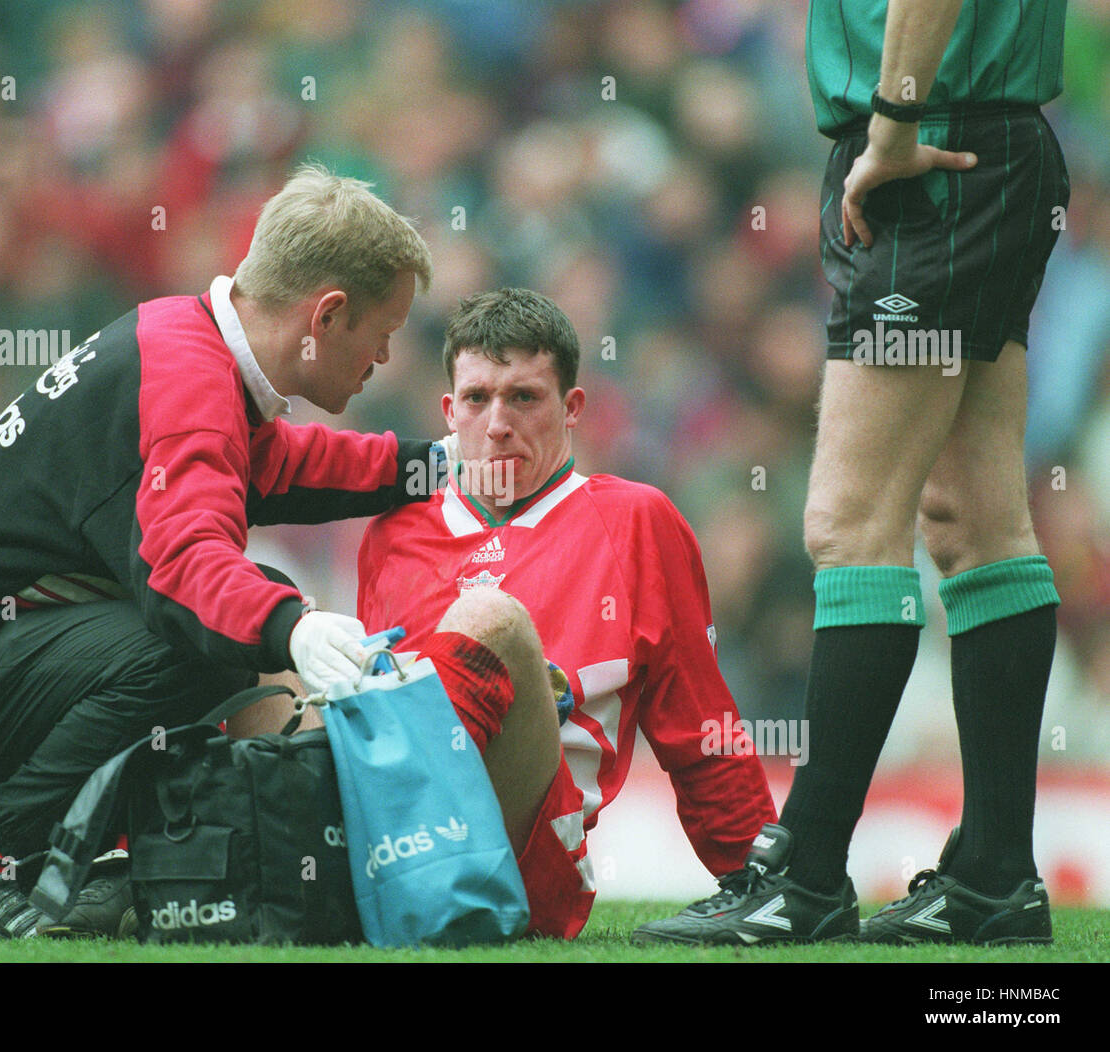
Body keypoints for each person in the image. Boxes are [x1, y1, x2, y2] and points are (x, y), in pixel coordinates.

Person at [0, 164, 438, 939]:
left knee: (237, 608)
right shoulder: (191, 386)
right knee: (203, 635)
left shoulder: (184, 342)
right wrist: (292, 627)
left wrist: (434, 465)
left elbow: (280, 468)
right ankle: (4, 864)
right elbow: (183, 571)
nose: (386, 359)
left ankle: (127, 860)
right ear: (328, 315)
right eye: (384, 332)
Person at [632, 0, 1069, 945]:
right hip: (989, 146)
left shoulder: (916, 122)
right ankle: (995, 873)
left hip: (933, 151)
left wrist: (897, 119)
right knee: (975, 517)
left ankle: (811, 871)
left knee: (849, 522)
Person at [356, 287, 778, 938]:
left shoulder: (633, 520)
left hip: (521, 861)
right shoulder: (394, 533)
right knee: (268, 621)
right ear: (449, 411)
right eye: (477, 399)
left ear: (572, 407)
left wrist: (763, 877)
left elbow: (699, 727)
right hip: (386, 829)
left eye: (523, 397)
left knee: (489, 621)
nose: (498, 422)